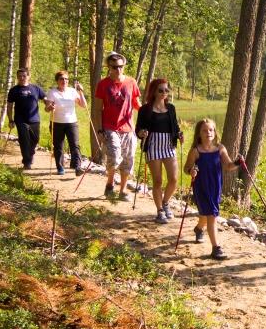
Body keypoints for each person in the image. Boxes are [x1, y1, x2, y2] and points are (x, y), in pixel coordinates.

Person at [183, 118, 241, 260]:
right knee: (211, 215)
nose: (208, 132)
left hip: (215, 186)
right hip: (201, 186)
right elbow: (186, 168)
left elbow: (228, 166)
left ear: (215, 132)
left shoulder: (220, 149)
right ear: (199, 134)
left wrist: (237, 163)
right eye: (204, 130)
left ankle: (198, 229)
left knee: (206, 214)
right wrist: (192, 170)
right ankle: (216, 248)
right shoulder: (196, 151)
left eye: (211, 130)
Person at [94, 52, 141, 200]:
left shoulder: (131, 82)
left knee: (128, 159)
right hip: (110, 127)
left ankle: (123, 191)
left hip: (128, 128)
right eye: (114, 67)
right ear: (109, 67)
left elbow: (136, 103)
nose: (118, 69)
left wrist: (151, 112)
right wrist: (99, 129)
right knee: (114, 157)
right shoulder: (103, 84)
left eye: (121, 66)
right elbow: (97, 109)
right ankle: (109, 183)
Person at [135, 78, 183, 223]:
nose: (164, 93)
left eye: (166, 90)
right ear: (154, 91)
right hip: (153, 146)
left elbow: (175, 126)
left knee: (174, 179)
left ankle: (165, 202)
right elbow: (138, 129)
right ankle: (160, 211)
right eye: (161, 90)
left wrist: (179, 134)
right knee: (157, 181)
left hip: (168, 146)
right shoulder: (145, 109)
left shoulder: (171, 108)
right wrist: (141, 133)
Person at [44, 70, 87, 175]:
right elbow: (46, 108)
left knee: (75, 145)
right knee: (58, 146)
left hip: (71, 122)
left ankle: (77, 167)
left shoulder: (72, 91)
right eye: (62, 79)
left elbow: (83, 105)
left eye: (66, 79)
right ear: (57, 80)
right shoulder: (52, 92)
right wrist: (50, 107)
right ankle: (60, 167)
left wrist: (81, 92)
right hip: (57, 122)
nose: (64, 81)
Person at [7, 68, 46, 170]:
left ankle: (30, 154)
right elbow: (9, 106)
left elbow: (45, 99)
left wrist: (50, 105)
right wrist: (10, 119)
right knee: (24, 140)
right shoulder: (14, 90)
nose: (22, 78)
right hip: (20, 120)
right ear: (17, 77)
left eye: (24, 76)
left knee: (35, 139)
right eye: (19, 76)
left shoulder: (36, 89)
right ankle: (27, 162)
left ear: (28, 76)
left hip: (34, 119)